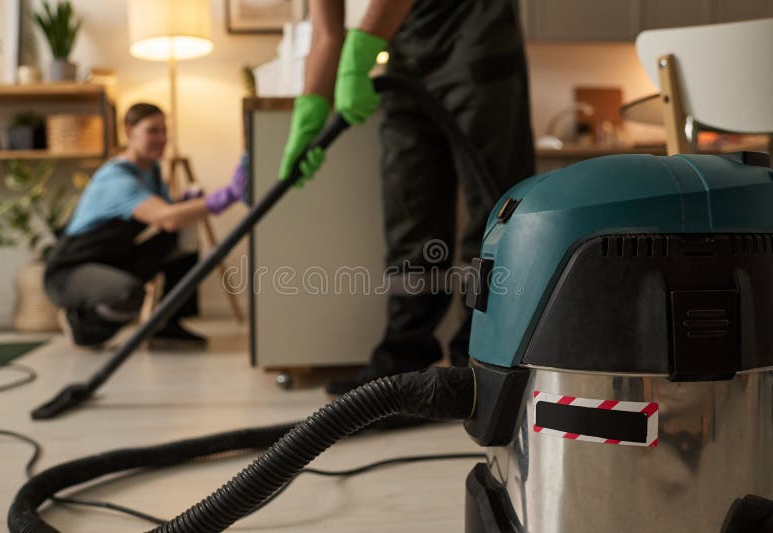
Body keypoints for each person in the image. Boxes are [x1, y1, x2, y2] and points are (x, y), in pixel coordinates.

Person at [279, 0, 536, 392]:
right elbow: (326, 32)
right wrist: (310, 108)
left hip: (477, 40)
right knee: (410, 212)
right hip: (409, 52)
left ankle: (482, 362)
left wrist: (359, 54)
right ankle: (404, 362)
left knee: (492, 214)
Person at [44, 103, 246, 349]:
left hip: (113, 259)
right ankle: (84, 327)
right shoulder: (116, 178)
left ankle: (167, 324)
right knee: (127, 293)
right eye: (153, 131)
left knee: (182, 232)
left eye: (164, 131)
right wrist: (229, 195)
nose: (161, 139)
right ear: (129, 132)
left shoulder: (151, 172)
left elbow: (172, 222)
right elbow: (167, 217)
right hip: (71, 271)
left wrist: (188, 205)